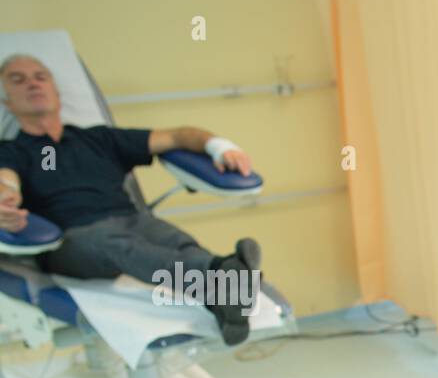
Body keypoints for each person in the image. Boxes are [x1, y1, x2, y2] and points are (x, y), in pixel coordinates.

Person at [0, 53, 262, 345]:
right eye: (18, 79)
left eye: (40, 77)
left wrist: (219, 147)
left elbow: (179, 136)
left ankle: (224, 297)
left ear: (57, 92)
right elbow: (6, 181)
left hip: (133, 219)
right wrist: (5, 201)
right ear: (6, 101)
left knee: (172, 239)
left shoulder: (100, 139)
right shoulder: (12, 151)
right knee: (120, 246)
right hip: (70, 241)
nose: (33, 84)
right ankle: (223, 278)